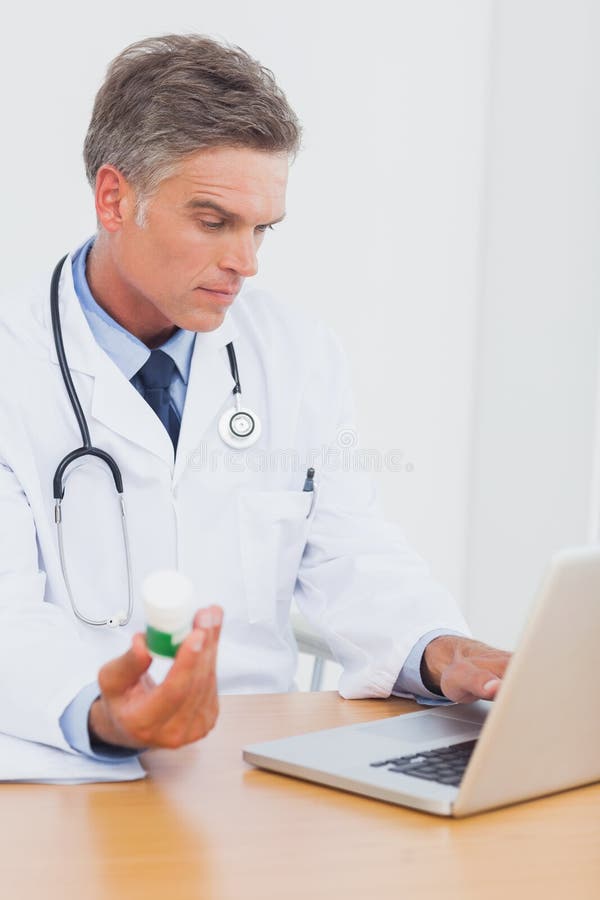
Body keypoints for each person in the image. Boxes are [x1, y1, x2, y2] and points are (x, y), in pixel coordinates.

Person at [0, 34, 509, 760]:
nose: (246, 262)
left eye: (262, 228)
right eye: (214, 222)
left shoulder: (297, 354)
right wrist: (109, 714)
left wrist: (439, 647)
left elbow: (350, 550)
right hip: (64, 764)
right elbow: (4, 618)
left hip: (250, 764)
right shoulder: (11, 363)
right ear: (115, 198)